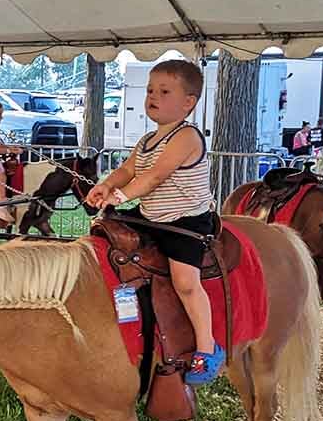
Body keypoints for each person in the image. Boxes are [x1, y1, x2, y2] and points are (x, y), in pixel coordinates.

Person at [86, 59, 224, 386]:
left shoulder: (187, 137)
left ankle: (207, 346)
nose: (153, 96)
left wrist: (121, 197)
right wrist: (107, 185)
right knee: (106, 237)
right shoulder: (147, 139)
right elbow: (128, 171)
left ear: (188, 102)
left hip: (186, 222)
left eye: (164, 91)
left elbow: (154, 176)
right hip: (152, 217)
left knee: (186, 282)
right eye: (150, 90)